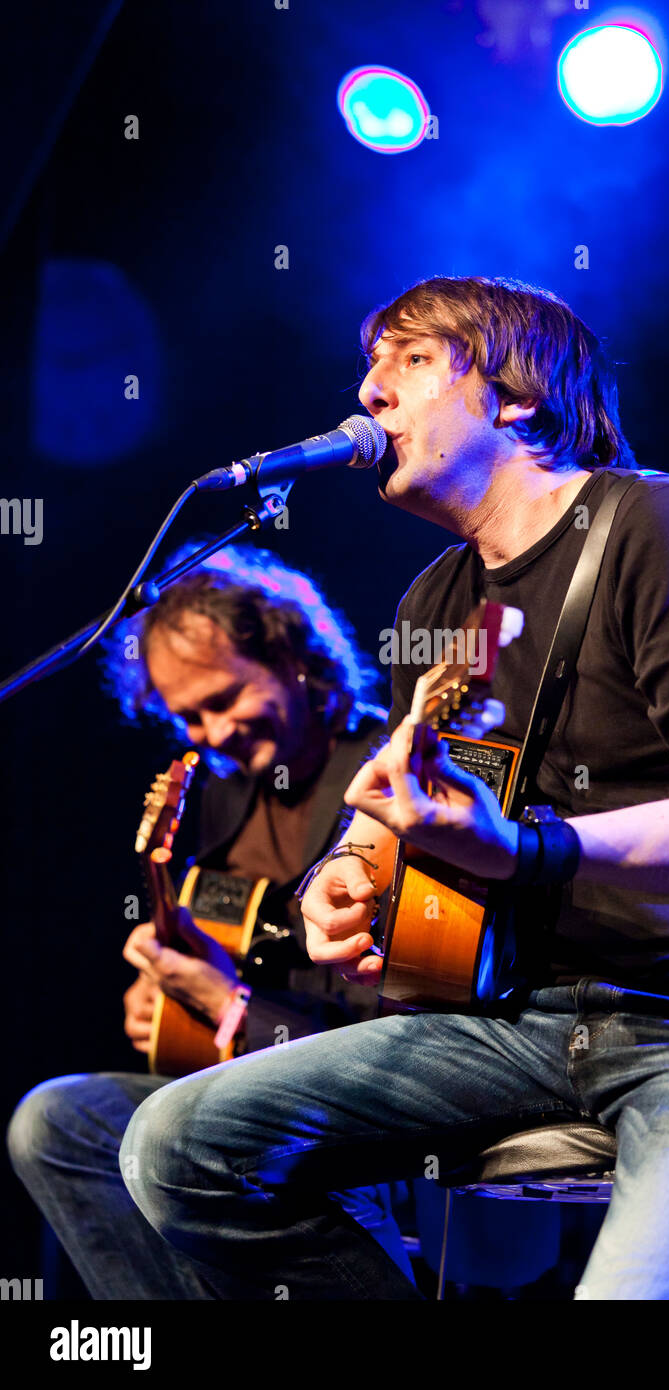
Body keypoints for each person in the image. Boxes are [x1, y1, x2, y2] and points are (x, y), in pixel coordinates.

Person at [115, 275, 669, 1300]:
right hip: (520, 1018)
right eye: (368, 368)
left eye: (409, 361)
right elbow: (406, 818)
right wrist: (341, 874)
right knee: (175, 1143)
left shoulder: (664, 526)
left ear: (516, 397)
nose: (371, 393)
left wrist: (528, 849)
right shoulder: (433, 600)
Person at [7, 543, 415, 1297]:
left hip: (362, 1108)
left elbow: (393, 1025)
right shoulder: (223, 791)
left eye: (225, 701)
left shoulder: (384, 781)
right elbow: (231, 946)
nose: (209, 735)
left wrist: (225, 1004)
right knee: (53, 1120)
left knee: (184, 1144)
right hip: (235, 1096)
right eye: (186, 716)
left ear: (295, 658)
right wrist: (167, 1001)